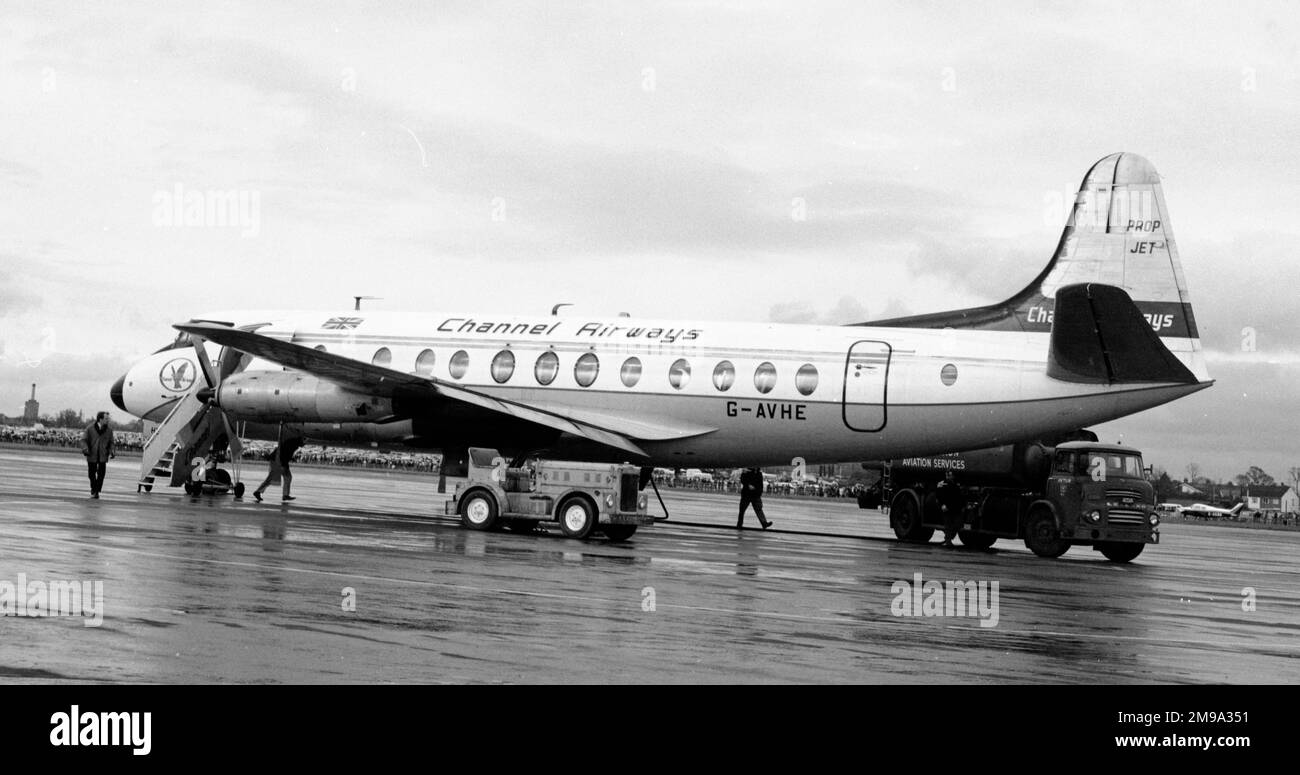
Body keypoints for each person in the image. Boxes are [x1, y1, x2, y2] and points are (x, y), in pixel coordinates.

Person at [253, 435, 305, 502]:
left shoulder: (293, 443)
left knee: (285, 477)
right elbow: (284, 455)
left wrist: (289, 460)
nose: (304, 444)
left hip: (278, 460)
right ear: (301, 441)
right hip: (277, 461)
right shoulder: (292, 444)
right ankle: (258, 491)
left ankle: (285, 495)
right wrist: (284, 466)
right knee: (273, 478)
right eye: (304, 442)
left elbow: (285, 454)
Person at [81, 411, 116, 498]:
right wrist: (85, 449)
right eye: (106, 418)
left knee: (101, 475)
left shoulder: (109, 430)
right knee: (91, 474)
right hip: (91, 455)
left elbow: (111, 442)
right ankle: (94, 488)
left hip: (103, 456)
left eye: (108, 418)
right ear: (100, 419)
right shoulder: (90, 428)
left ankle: (96, 491)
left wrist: (112, 451)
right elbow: (83, 440)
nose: (108, 420)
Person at [936, 470, 965, 547]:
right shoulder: (942, 484)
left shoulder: (957, 484)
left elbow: (960, 496)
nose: (948, 476)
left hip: (956, 507)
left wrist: (962, 506)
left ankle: (949, 537)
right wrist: (942, 505)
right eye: (947, 475)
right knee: (948, 525)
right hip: (946, 507)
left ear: (953, 476)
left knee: (957, 524)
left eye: (950, 475)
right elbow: (939, 495)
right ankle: (948, 541)